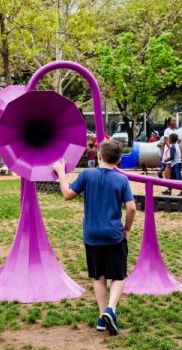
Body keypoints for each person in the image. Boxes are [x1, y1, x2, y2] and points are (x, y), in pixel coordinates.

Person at [53, 140, 136, 336]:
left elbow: (67, 194)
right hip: (114, 235)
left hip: (91, 235)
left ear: (98, 156)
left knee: (99, 276)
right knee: (118, 275)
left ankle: (101, 317)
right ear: (119, 159)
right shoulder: (121, 180)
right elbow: (131, 208)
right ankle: (111, 309)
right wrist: (127, 229)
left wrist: (60, 171)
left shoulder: (87, 175)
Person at [159, 117, 182, 196]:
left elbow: (179, 139)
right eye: (173, 121)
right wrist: (171, 148)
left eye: (175, 121)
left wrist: (175, 145)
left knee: (174, 170)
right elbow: (166, 140)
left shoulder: (176, 131)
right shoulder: (167, 130)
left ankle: (170, 187)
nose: (175, 122)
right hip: (169, 150)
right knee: (169, 167)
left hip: (173, 150)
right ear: (169, 122)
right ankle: (168, 187)